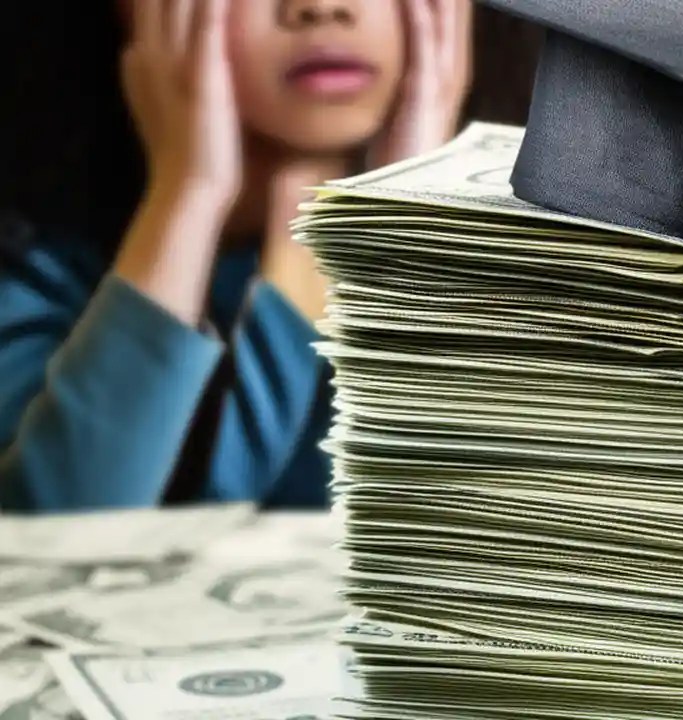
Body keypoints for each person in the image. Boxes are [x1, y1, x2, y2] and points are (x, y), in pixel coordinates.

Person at [0, 0, 473, 512]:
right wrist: (188, 193)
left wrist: (410, 242)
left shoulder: (518, 279)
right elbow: (65, 533)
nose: (323, 8)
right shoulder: (38, 280)